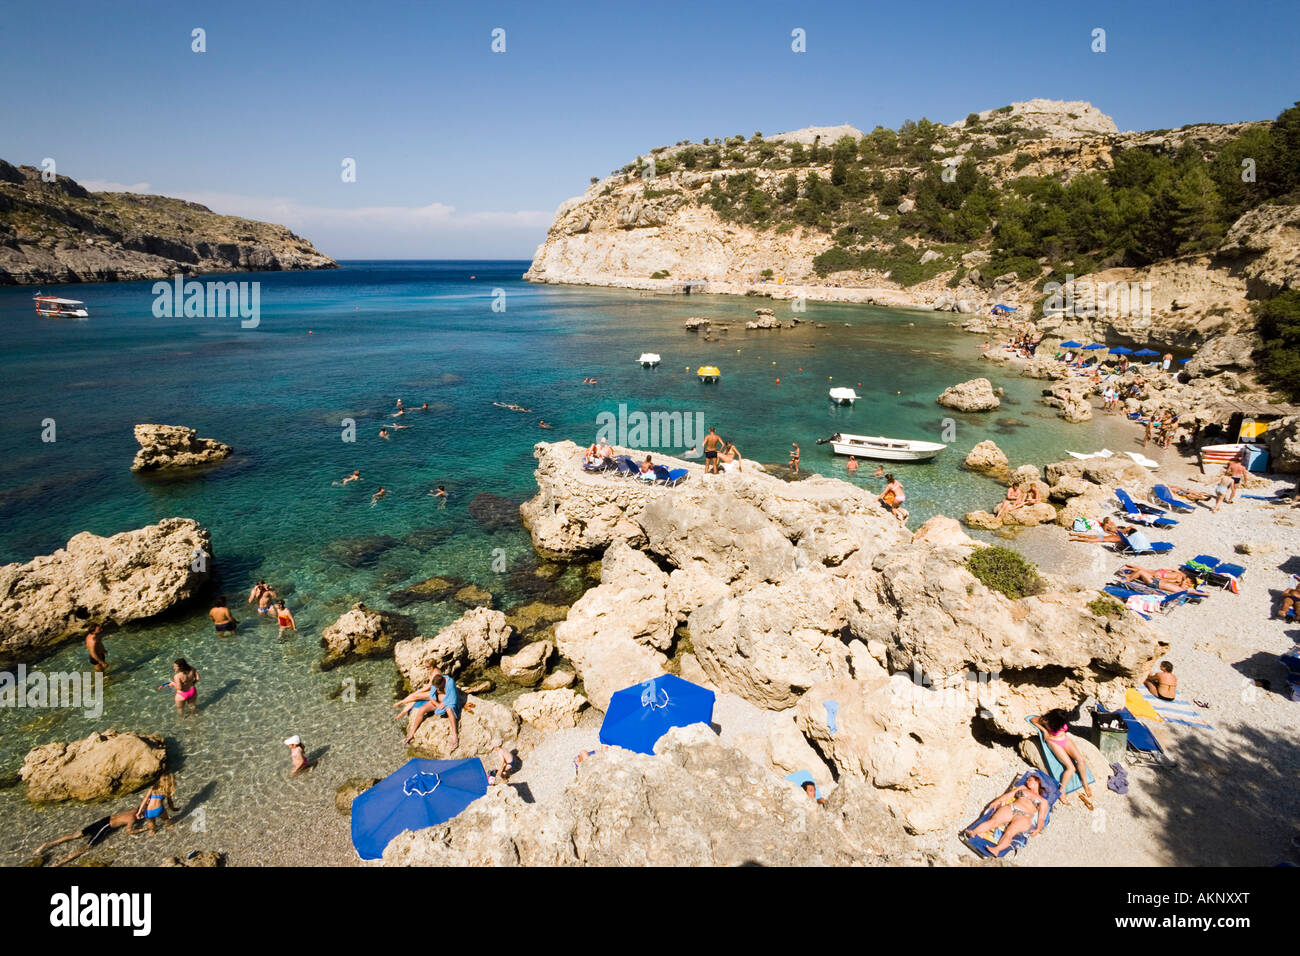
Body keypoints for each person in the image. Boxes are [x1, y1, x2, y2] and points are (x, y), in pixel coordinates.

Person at [962, 774, 1048, 853]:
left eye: (1030, 780)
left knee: (1010, 832)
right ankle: (973, 832)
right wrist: (998, 801)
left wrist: (1038, 828)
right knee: (994, 821)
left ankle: (996, 850)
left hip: (1025, 817)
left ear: (1037, 782)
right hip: (1012, 807)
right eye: (1027, 780)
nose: (1027, 781)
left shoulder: (1043, 801)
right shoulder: (1022, 788)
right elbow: (1008, 795)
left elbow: (1041, 818)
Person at [33, 805, 140, 865]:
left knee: (75, 835)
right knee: (86, 848)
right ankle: (59, 863)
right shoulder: (132, 818)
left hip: (104, 820)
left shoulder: (133, 810)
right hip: (106, 826)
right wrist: (143, 829)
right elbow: (129, 832)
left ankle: (47, 844)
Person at [1030, 710, 1094, 809]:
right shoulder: (1046, 720)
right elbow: (1032, 719)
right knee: (1071, 768)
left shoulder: (1062, 719)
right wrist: (1044, 731)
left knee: (1081, 760)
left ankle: (1085, 783)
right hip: (1054, 742)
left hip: (1064, 739)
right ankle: (1061, 791)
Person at [1116, 564, 1197, 593]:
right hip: (1160, 576)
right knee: (1143, 570)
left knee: (1144, 570)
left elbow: (1173, 570)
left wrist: (1165, 570)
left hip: (1162, 573)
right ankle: (1127, 567)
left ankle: (1128, 566)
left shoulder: (1181, 575)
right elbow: (1168, 581)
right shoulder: (1180, 579)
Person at [1068, 516, 1135, 544]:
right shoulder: (1121, 538)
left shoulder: (1119, 535)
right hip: (1107, 538)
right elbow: (1106, 531)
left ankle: (1075, 535)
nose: (1110, 521)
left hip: (1107, 537)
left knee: (1091, 537)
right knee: (1091, 539)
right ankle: (1075, 538)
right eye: (1109, 520)